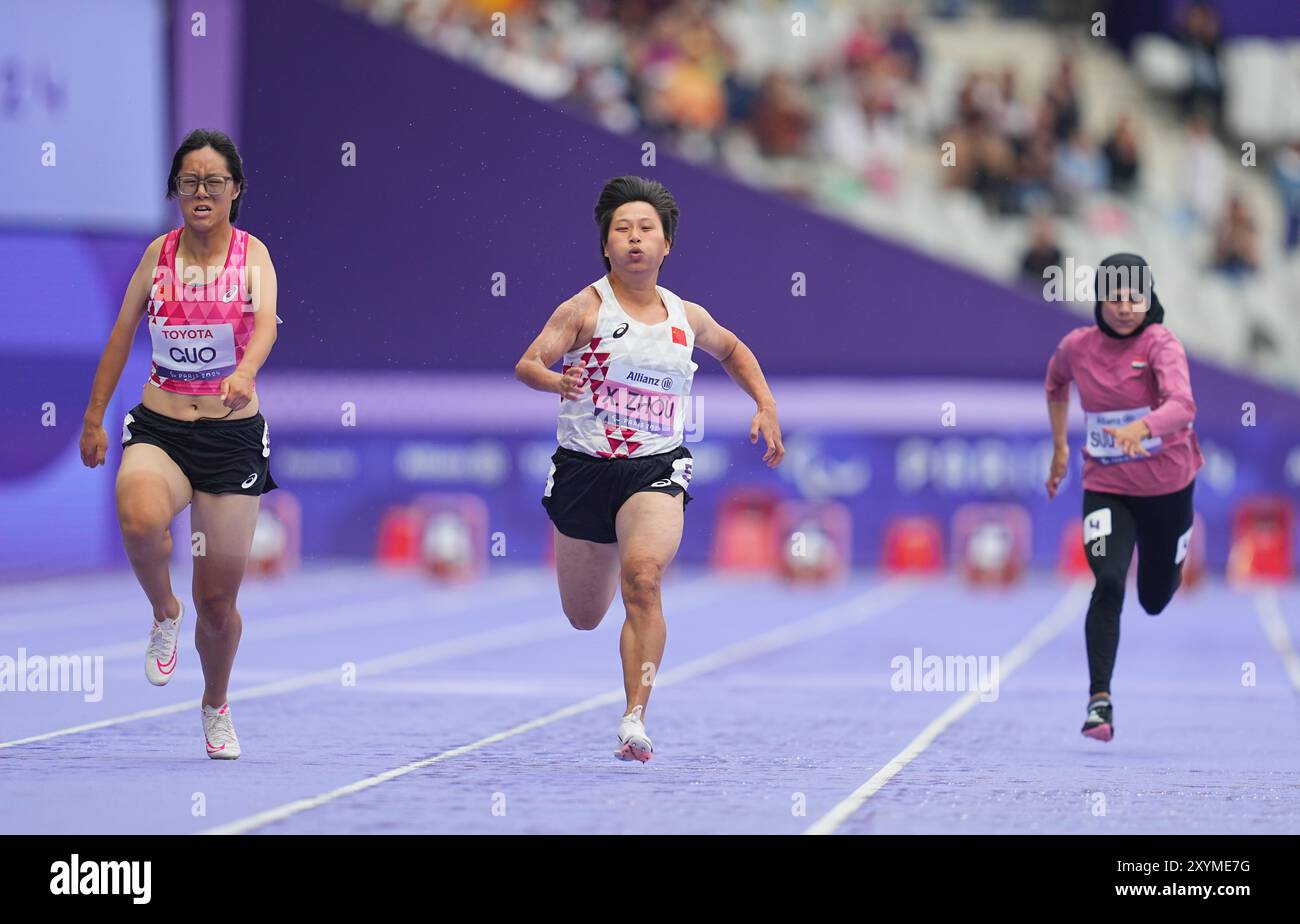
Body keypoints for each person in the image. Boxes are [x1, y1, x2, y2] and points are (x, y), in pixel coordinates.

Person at [514, 175, 784, 762]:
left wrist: (764, 405)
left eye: (646, 230)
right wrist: (559, 379)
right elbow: (528, 363)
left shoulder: (687, 317)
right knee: (584, 616)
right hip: (585, 470)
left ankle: (635, 717)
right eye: (622, 230)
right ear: (606, 245)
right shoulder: (584, 308)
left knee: (643, 578)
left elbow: (734, 351)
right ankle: (601, 570)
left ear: (666, 246)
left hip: (655, 468)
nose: (635, 239)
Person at [78, 129, 280, 759]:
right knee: (139, 518)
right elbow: (119, 335)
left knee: (217, 605)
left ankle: (215, 703)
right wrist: (92, 418)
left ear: (234, 191)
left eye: (213, 182)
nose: (200, 192)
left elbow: (267, 323)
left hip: (230, 438)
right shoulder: (158, 255)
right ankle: (163, 610)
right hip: (161, 426)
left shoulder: (253, 256)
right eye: (189, 181)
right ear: (176, 190)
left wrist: (243, 374)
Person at [1044, 253, 1203, 742]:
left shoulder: (1161, 344)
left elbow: (1183, 405)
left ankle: (1172, 556)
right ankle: (1099, 702)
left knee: (1154, 598)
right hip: (1107, 487)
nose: (1125, 307)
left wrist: (1143, 426)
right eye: (1114, 296)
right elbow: (1055, 384)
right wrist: (1060, 447)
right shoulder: (1077, 347)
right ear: (1100, 299)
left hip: (1167, 487)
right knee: (1108, 581)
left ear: (1148, 298)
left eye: (1134, 296)